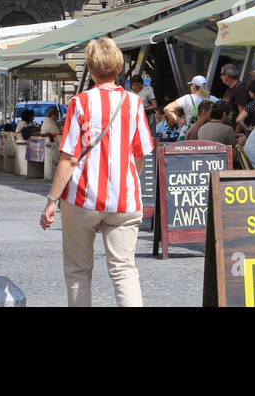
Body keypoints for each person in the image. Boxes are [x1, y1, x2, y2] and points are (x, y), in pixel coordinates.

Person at [40, 37, 153, 307]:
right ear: (118, 69)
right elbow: (140, 155)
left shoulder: (80, 103)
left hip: (83, 198)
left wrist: (52, 201)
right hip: (124, 200)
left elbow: (68, 158)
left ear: (90, 70)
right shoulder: (135, 103)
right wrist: (125, 180)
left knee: (78, 270)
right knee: (124, 270)